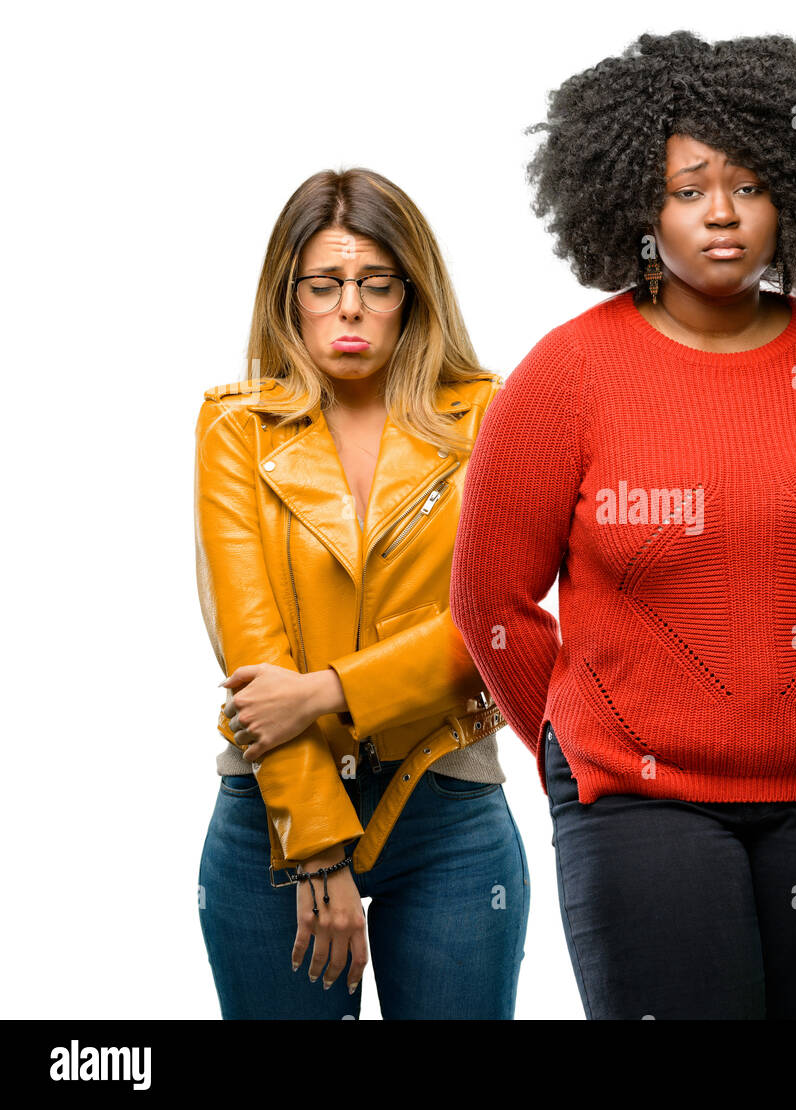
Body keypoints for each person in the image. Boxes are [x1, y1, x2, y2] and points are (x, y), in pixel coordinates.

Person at [449, 31, 796, 1019]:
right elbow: (489, 600)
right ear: (636, 204)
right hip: (637, 803)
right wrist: (582, 741)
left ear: (793, 194)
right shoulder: (567, 375)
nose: (721, 213)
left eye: (749, 186)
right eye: (688, 188)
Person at [194, 168, 528, 1019]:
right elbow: (252, 650)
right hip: (275, 815)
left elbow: (494, 627)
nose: (349, 308)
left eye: (376, 286)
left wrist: (327, 691)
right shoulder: (235, 428)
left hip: (447, 803)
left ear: (412, 296)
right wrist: (317, 852)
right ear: (289, 297)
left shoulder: (490, 418)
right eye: (325, 286)